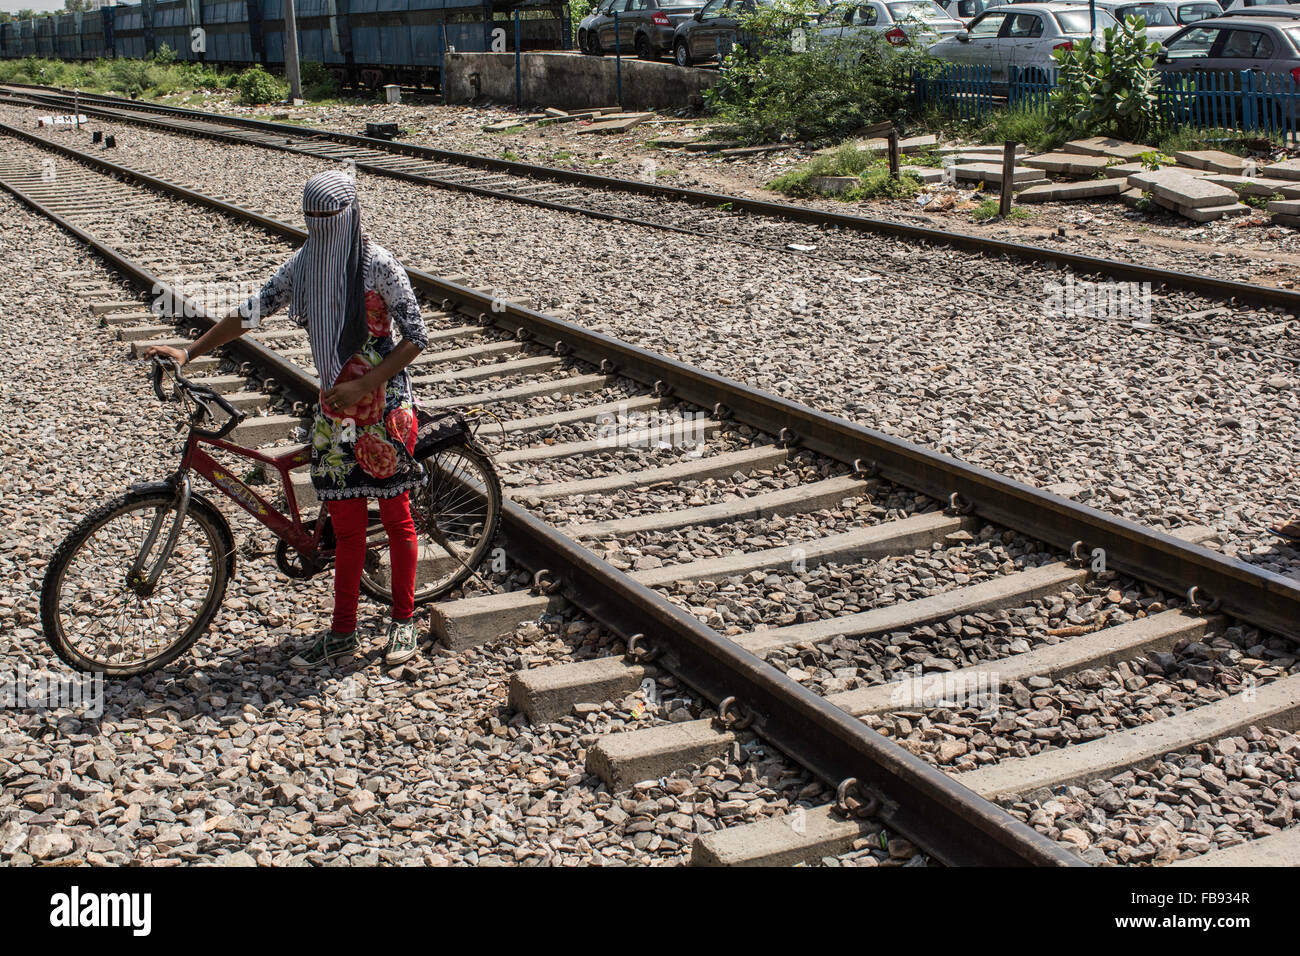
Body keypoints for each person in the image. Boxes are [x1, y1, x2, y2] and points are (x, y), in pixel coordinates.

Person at [146, 171, 429, 667]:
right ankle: (343, 631)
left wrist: (365, 384)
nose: (321, 230)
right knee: (345, 528)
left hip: (383, 409)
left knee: (395, 517)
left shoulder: (380, 266)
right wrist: (190, 351)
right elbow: (251, 311)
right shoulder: (304, 265)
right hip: (334, 413)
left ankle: (402, 621)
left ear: (349, 215)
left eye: (329, 220)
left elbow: (415, 337)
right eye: (312, 220)